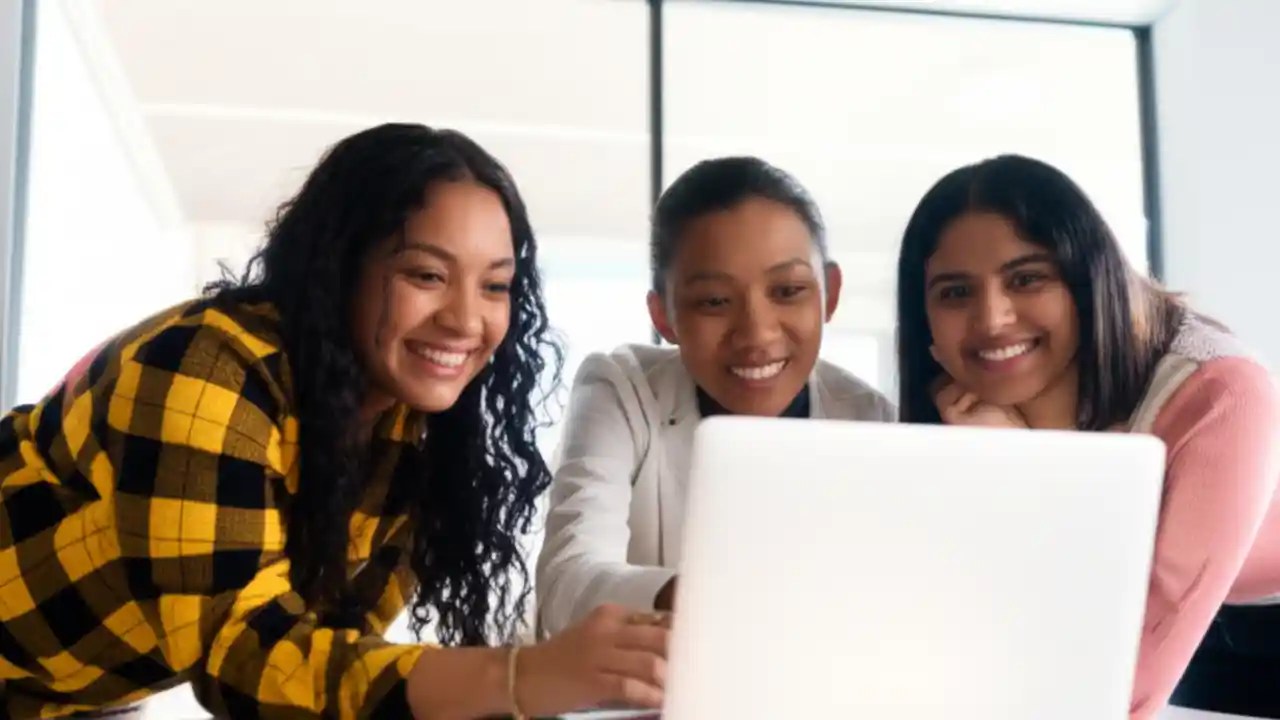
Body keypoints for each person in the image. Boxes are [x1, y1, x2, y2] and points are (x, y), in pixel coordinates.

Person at [0, 124, 669, 720]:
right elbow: (244, 663)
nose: (468, 320)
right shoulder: (206, 371)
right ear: (339, 266)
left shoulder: (405, 439)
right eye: (428, 274)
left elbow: (328, 676)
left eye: (495, 285)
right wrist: (524, 677)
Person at [894, 153, 1280, 719]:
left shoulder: (1219, 394)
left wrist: (1033, 469)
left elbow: (1123, 685)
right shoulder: (973, 408)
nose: (993, 319)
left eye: (1026, 279)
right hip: (1159, 634)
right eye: (955, 292)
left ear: (1085, 279)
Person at [536, 156, 895, 635]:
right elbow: (565, 584)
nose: (757, 334)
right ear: (663, 315)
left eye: (788, 290)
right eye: (714, 302)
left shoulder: (873, 423)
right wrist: (707, 600)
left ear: (829, 293)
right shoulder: (622, 390)